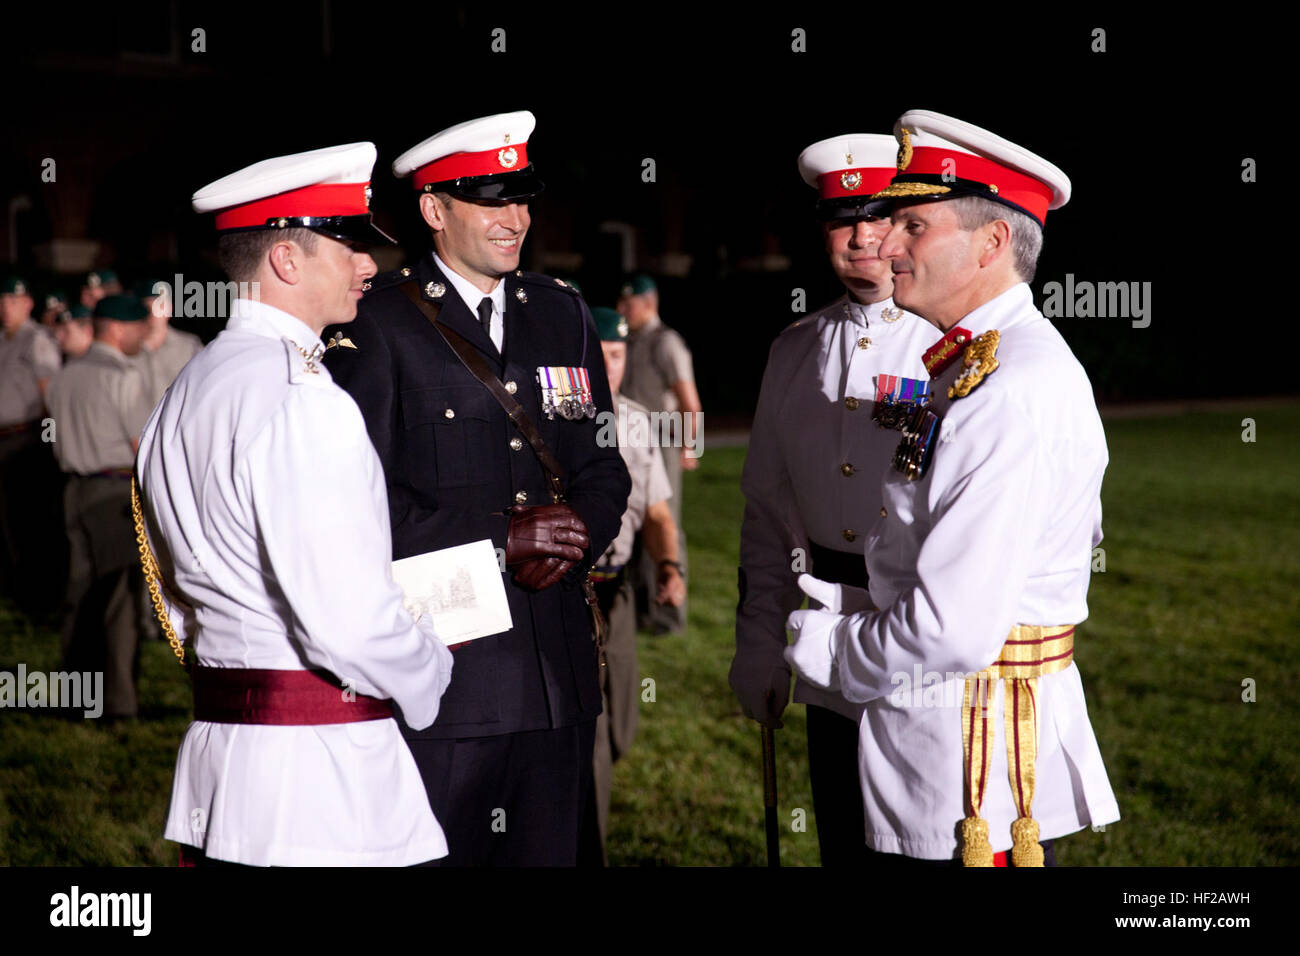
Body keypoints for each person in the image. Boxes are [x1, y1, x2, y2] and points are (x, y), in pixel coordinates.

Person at [785, 109, 1121, 866]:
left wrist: (835, 648)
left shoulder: (1007, 386)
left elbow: (950, 628)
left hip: (967, 767)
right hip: (954, 739)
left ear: (992, 242)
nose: (885, 244)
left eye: (913, 226)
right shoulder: (980, 367)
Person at [323, 110, 631, 866]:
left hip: (559, 673)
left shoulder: (561, 313)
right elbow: (353, 509)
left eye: (522, 199)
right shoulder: (379, 326)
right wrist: (501, 541)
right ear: (435, 210)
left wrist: (576, 531)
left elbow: (601, 462)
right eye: (491, 200)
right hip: (450, 680)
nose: (515, 218)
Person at [136, 142, 455, 866]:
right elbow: (349, 623)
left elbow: (177, 602)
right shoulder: (303, 400)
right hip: (321, 784)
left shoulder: (187, 389)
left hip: (223, 762)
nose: (369, 263)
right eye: (347, 244)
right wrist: (428, 668)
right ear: (286, 259)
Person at [729, 133, 940, 866]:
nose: (861, 238)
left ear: (908, 224)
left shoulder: (951, 343)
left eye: (878, 216)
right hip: (827, 632)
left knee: (925, 844)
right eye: (842, 220)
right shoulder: (794, 348)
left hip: (924, 634)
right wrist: (760, 645)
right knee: (844, 841)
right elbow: (766, 512)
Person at [581, 305, 684, 865]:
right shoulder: (557, 420)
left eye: (617, 355)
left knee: (621, 726)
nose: (608, 366)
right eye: (598, 355)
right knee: (593, 735)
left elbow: (659, 513)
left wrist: (669, 568)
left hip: (617, 591)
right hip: (570, 595)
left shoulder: (640, 422)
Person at [45, 293, 152, 720]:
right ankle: (119, 703)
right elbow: (140, 446)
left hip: (74, 488)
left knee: (80, 594)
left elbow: (50, 434)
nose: (145, 335)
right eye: (141, 326)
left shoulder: (67, 374)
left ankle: (76, 693)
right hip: (115, 494)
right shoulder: (123, 377)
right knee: (120, 600)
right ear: (120, 328)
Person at [617, 274, 699, 635]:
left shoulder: (667, 342)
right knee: (632, 522)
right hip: (631, 439)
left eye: (628, 302)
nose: (622, 309)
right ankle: (640, 609)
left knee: (665, 524)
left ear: (649, 302)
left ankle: (668, 616)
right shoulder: (632, 340)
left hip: (662, 443)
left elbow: (689, 403)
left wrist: (688, 447)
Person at [0, 275, 62, 603]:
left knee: (28, 515)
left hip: (26, 436)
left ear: (27, 304)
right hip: (3, 438)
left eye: (13, 301)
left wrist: (48, 441)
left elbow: (49, 393)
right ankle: (13, 586)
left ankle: (35, 591)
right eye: (3, 301)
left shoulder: (36, 339)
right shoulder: (3, 339)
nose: (6, 307)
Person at [133, 277, 203, 410]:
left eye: (160, 305)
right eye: (147, 307)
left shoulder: (189, 346)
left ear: (170, 307)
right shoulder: (128, 350)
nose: (154, 313)